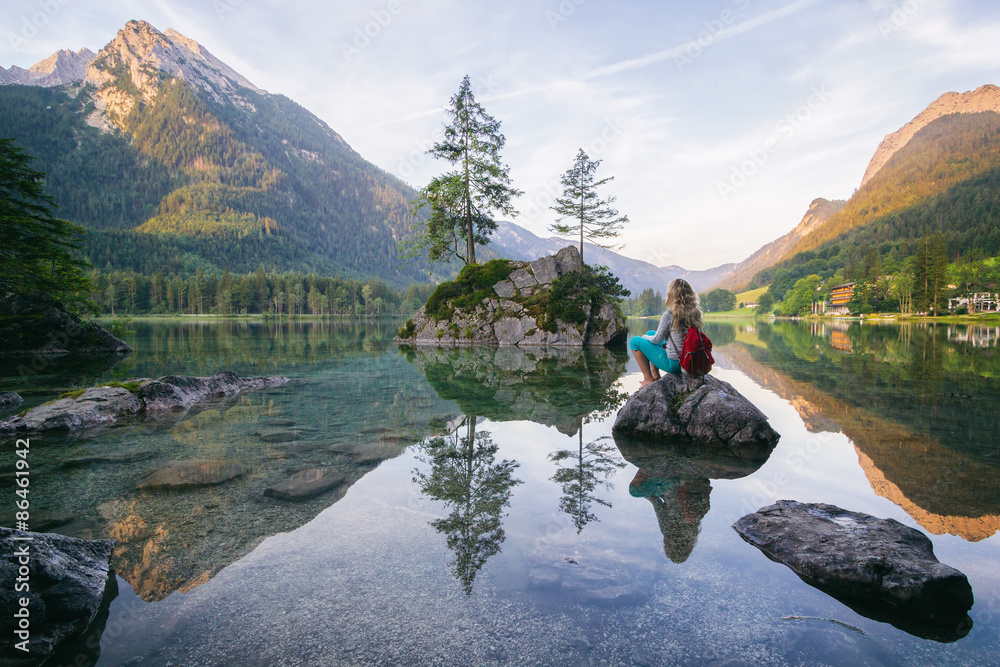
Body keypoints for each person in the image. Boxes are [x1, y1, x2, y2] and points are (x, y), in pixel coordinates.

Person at [628, 278, 704, 389]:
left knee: (635, 341)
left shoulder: (669, 314)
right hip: (691, 361)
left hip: (674, 364)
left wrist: (644, 337)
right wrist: (648, 336)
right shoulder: (695, 313)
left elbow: (657, 340)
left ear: (671, 295)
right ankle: (655, 374)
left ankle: (647, 379)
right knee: (651, 333)